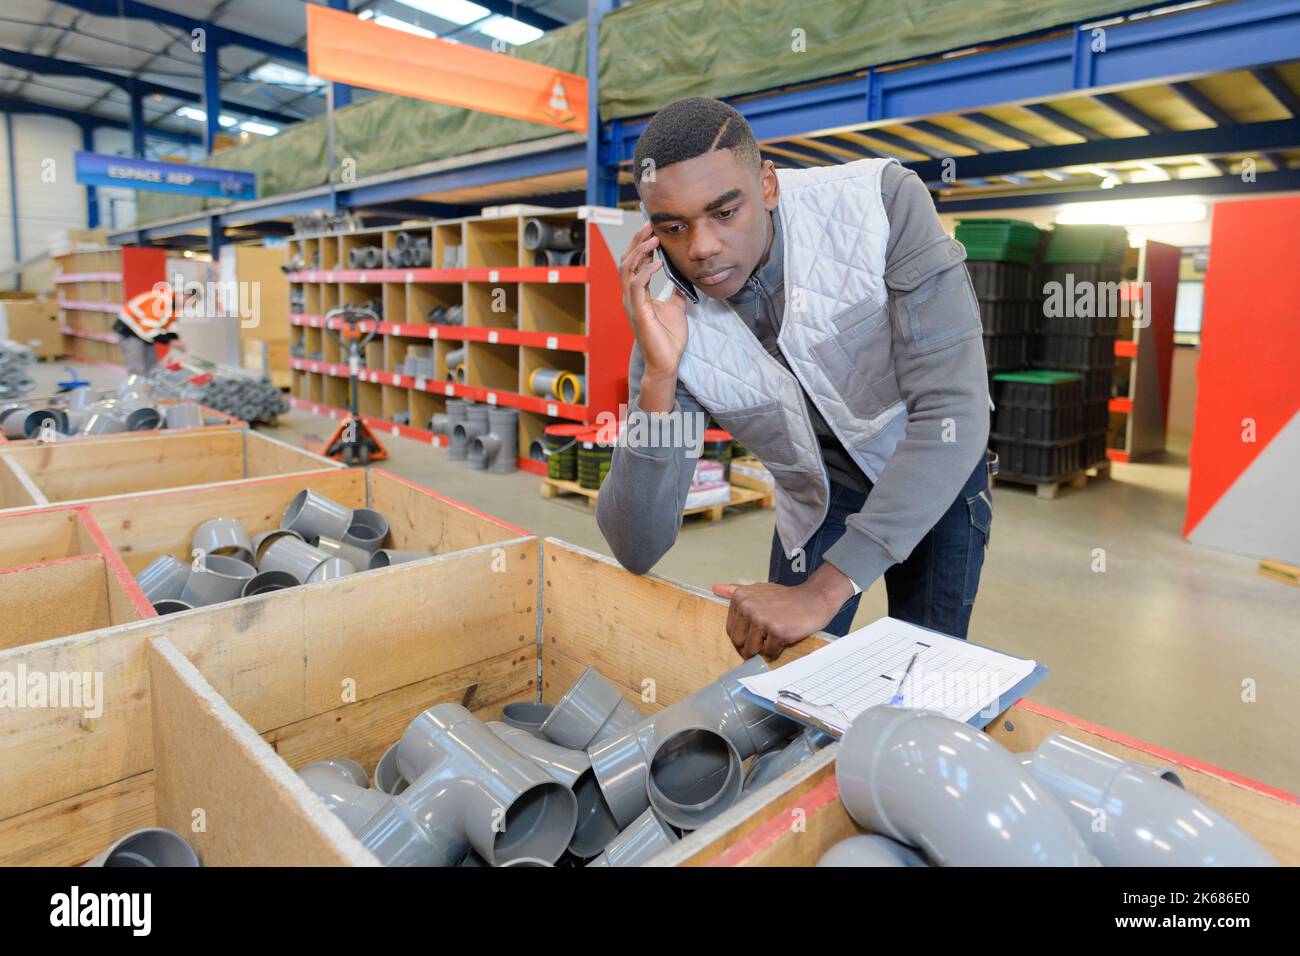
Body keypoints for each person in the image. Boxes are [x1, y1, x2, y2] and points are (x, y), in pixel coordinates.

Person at [595, 97, 994, 661]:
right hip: (819, 497)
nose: (702, 248)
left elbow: (953, 412)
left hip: (936, 474)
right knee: (782, 689)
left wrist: (824, 589)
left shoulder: (878, 205)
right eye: (675, 227)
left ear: (769, 186)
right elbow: (637, 545)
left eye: (725, 213)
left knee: (925, 675)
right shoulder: (669, 322)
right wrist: (657, 380)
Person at [115, 282, 179, 375]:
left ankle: (148, 388)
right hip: (130, 332)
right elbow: (148, 328)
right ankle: (136, 389)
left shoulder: (174, 305)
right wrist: (170, 341)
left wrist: (174, 339)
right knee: (137, 369)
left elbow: (168, 326)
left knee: (152, 368)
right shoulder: (162, 302)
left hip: (143, 335)